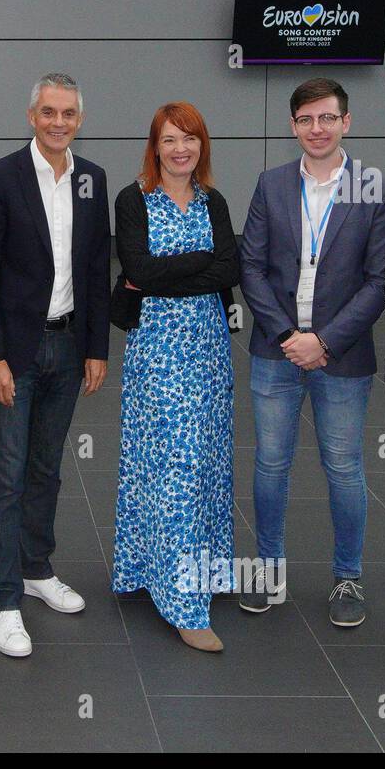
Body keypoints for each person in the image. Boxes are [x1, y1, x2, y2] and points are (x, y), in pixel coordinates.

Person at [237, 78, 385, 627]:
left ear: (346, 122)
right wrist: (289, 336)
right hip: (275, 351)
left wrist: (324, 341)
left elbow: (379, 281)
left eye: (327, 117)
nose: (317, 128)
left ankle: (348, 576)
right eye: (306, 119)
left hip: (342, 356)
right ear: (293, 126)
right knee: (270, 464)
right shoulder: (271, 184)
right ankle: (268, 571)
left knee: (345, 468)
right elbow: (251, 266)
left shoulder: (375, 189)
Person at [0, 73, 111, 658]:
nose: (58, 122)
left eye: (68, 113)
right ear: (31, 116)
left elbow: (98, 265)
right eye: (48, 112)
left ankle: (35, 568)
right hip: (15, 353)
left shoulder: (91, 179)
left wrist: (97, 347)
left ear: (79, 119)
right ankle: (3, 600)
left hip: (69, 347)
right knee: (7, 475)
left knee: (47, 469)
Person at [111, 102, 240, 652]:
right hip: (158, 355)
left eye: (189, 138)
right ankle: (184, 603)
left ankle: (184, 570)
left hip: (209, 353)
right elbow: (138, 269)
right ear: (154, 147)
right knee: (172, 469)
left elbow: (230, 268)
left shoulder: (215, 201)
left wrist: (169, 275)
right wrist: (199, 262)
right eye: (169, 139)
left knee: (205, 463)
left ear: (201, 145)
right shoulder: (133, 199)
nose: (180, 149)